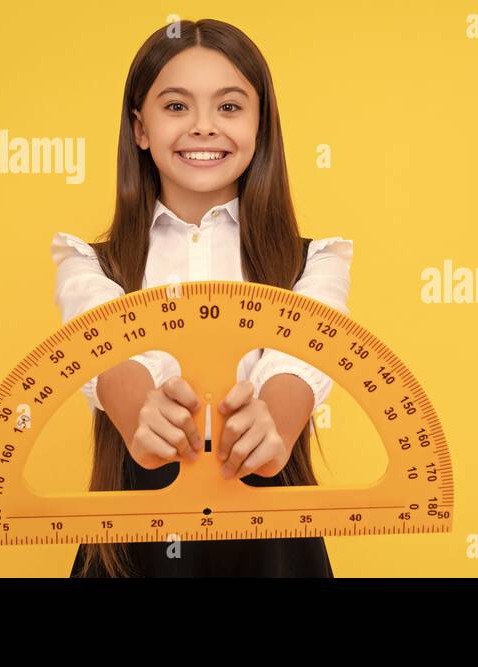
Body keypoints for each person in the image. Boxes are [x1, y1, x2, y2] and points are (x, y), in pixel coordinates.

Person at [50, 18, 352, 577]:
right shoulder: (88, 263)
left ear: (262, 125)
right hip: (134, 545)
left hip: (273, 547)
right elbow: (104, 343)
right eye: (176, 106)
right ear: (140, 128)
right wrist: (141, 409)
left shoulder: (318, 262)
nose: (204, 127)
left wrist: (274, 426)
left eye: (230, 107)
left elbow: (304, 355)